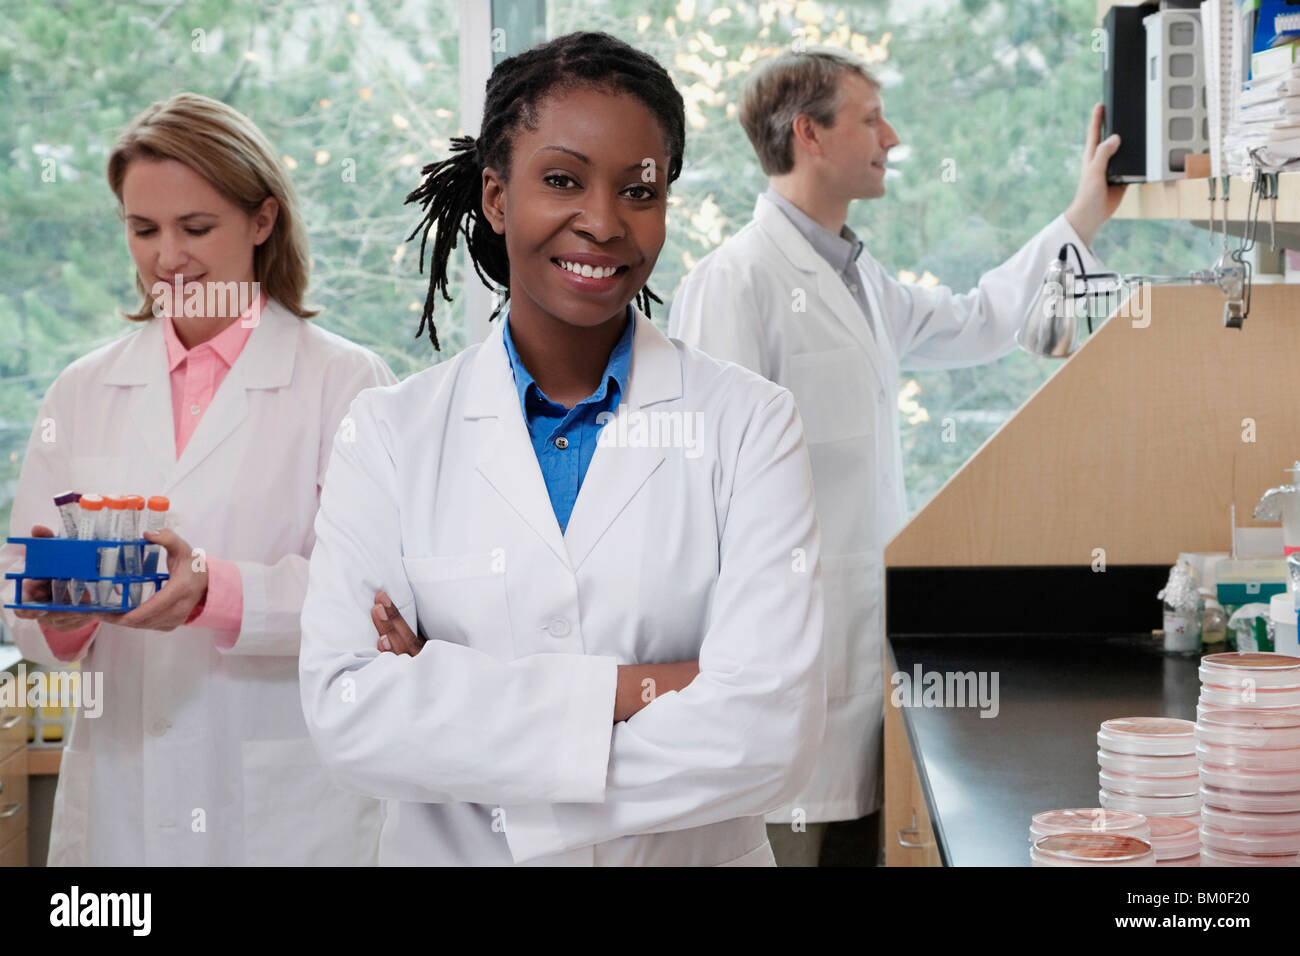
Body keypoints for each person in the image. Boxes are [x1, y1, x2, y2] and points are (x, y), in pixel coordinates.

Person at [299, 31, 826, 867]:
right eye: (562, 180)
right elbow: (349, 712)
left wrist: (450, 687)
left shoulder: (750, 423)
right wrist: (654, 684)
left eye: (639, 191)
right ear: (498, 198)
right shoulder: (389, 434)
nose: (604, 221)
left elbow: (771, 730)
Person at [669, 49, 1124, 866]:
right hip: (782, 683)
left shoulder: (860, 280)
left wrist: (1081, 217)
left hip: (863, 661)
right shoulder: (736, 283)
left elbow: (983, 321)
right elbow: (705, 499)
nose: (894, 135)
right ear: (809, 133)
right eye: (871, 116)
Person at [0, 93, 394, 865]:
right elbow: (25, 607)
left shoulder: (344, 382)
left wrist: (214, 590)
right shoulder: (83, 392)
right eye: (143, 229)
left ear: (262, 220)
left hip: (284, 802)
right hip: (122, 800)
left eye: (197, 227)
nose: (167, 257)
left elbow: (375, 602)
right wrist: (56, 613)